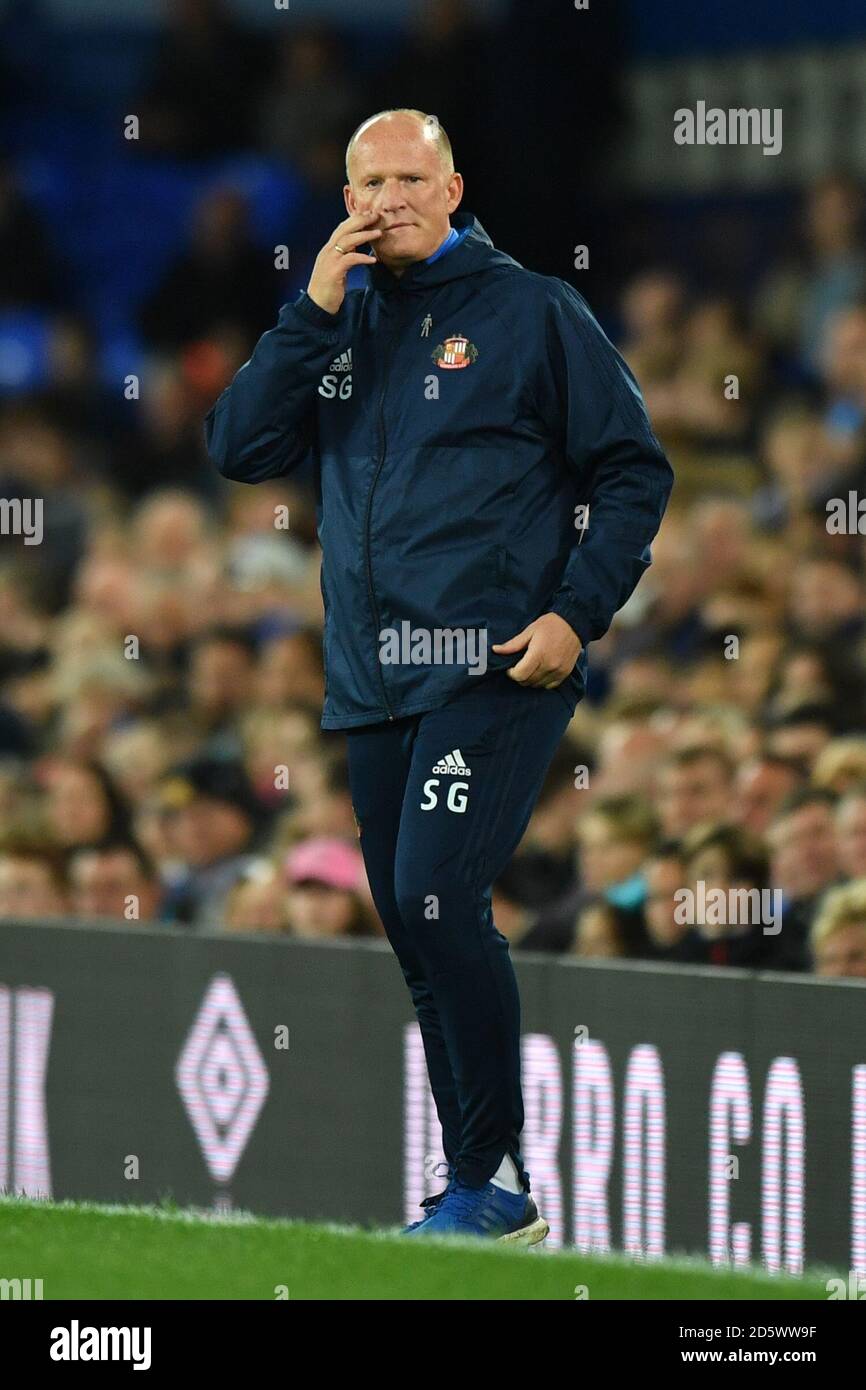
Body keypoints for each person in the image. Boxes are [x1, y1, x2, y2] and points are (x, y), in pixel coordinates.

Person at [205, 108, 673, 1244]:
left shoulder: (531, 310)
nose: (388, 200)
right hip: (372, 677)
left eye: (410, 178)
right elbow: (234, 448)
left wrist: (575, 611)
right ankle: (475, 1180)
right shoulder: (338, 321)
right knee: (412, 922)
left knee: (432, 893)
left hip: (493, 665)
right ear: (346, 196)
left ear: (453, 188)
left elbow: (631, 470)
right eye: (368, 182)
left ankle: (494, 1176)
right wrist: (309, 310)